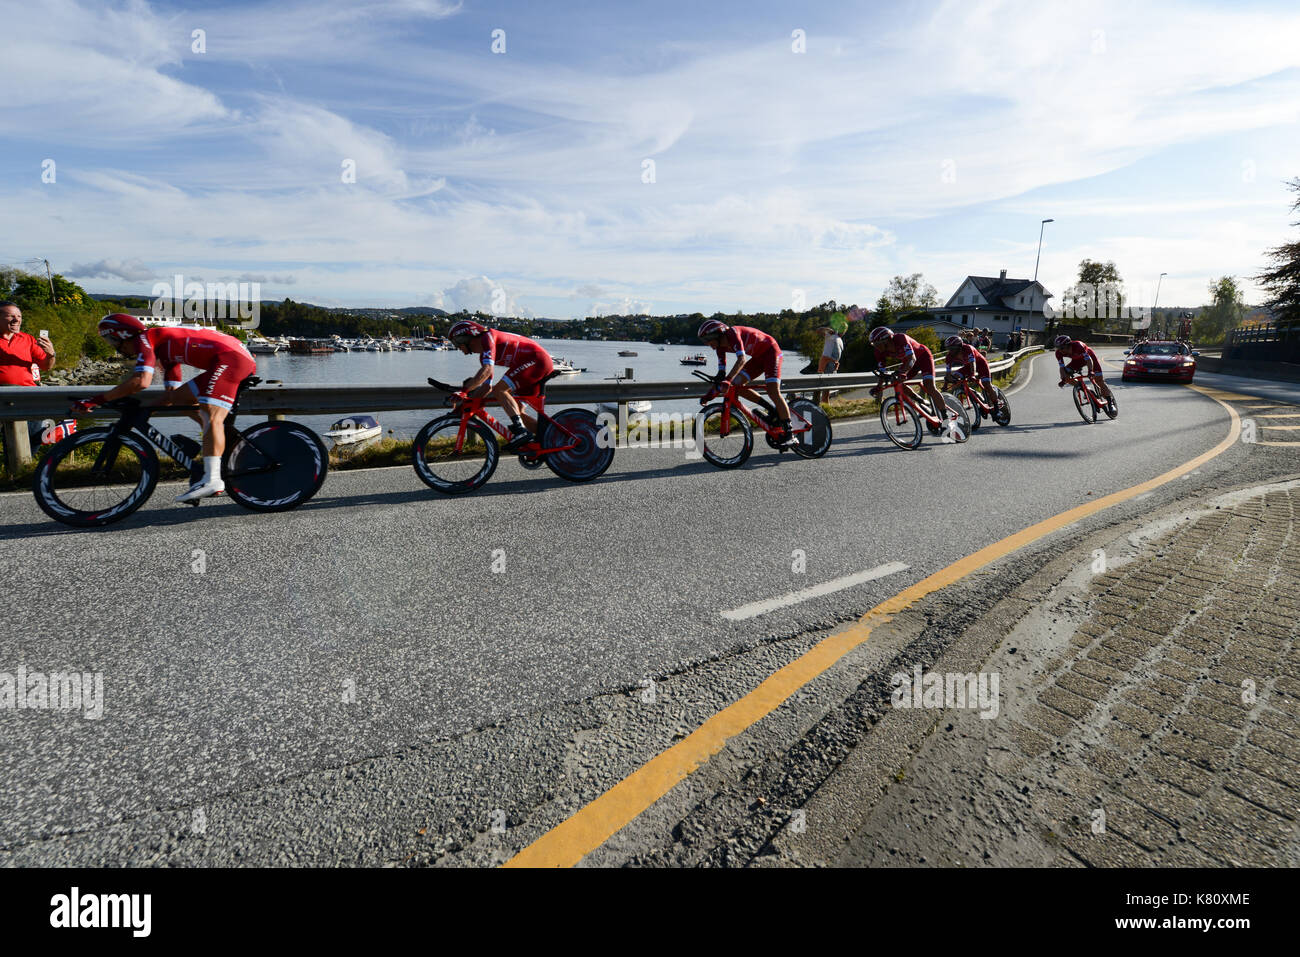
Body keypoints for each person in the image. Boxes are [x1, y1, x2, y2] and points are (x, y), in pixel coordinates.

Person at [75, 314, 257, 502]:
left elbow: (141, 381)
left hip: (231, 358)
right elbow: (171, 395)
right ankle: (222, 443)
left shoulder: (144, 340)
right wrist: (145, 411)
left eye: (111, 341)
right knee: (180, 400)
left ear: (121, 335)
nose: (115, 347)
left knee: (211, 414)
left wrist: (95, 400)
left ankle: (212, 480)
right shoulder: (162, 348)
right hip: (226, 358)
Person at [447, 319, 555, 451]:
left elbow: (487, 371)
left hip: (537, 359)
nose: (461, 351)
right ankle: (551, 440)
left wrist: (464, 390)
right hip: (533, 364)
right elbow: (486, 387)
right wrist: (465, 404)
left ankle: (520, 431)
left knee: (500, 390)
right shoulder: (484, 355)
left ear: (467, 337)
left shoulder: (488, 337)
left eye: (459, 346)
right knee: (518, 409)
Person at [697, 319, 796, 447]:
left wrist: (728, 379)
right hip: (757, 359)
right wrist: (709, 395)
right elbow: (722, 376)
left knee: (773, 390)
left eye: (708, 341)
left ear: (717, 335)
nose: (708, 345)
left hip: (771, 352)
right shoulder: (720, 348)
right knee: (736, 385)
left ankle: (790, 433)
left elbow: (742, 359)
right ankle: (773, 411)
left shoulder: (733, 334)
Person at [868, 325, 957, 427]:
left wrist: (903, 372)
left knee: (929, 386)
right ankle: (920, 400)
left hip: (923, 357)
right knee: (896, 381)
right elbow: (882, 372)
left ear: (887, 340)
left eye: (878, 344)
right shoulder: (879, 352)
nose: (876, 347)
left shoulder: (901, 338)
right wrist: (879, 386)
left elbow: (912, 359)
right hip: (908, 362)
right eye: (874, 345)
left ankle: (945, 415)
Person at [0, 301, 56, 386]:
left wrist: (51, 354)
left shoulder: (28, 339)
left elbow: (46, 367)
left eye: (19, 316)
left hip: (26, 391)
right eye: (11, 316)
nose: (17, 320)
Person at [1055, 334, 1115, 407]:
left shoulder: (1078, 346)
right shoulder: (1058, 353)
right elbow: (1062, 367)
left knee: (1099, 380)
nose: (1060, 350)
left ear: (1069, 345)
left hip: (1090, 359)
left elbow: (1088, 360)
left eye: (1062, 348)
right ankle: (1086, 390)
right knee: (1066, 377)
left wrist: (1090, 371)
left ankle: (1110, 402)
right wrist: (1063, 378)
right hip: (1077, 362)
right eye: (1058, 348)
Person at [942, 334, 999, 410]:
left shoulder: (968, 348)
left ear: (959, 347)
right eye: (949, 349)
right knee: (955, 375)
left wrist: (972, 375)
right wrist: (945, 385)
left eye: (952, 349)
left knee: (986, 384)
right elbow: (948, 374)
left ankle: (997, 406)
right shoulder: (949, 356)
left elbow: (973, 363)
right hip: (968, 366)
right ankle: (967, 393)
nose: (950, 351)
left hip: (981, 364)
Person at [817, 325, 843, 406]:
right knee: (824, 387)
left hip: (830, 364)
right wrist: (828, 330)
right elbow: (819, 330)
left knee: (825, 387)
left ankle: (823, 405)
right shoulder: (833, 336)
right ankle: (823, 405)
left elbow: (818, 330)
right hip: (829, 364)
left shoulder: (837, 338)